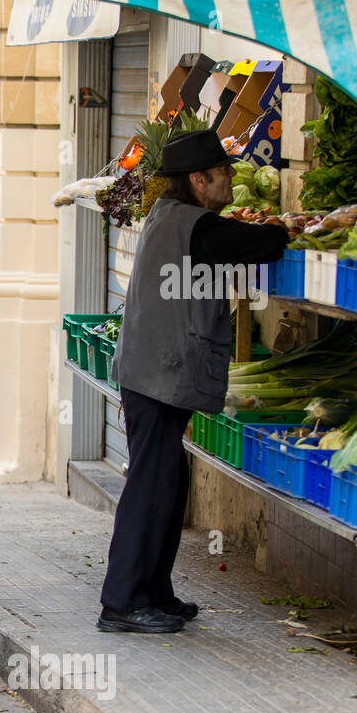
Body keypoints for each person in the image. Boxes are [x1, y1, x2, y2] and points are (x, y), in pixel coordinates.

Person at [99, 130, 289, 634]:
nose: (230, 178)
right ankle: (120, 603)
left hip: (154, 373)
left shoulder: (171, 216)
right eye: (223, 172)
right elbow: (260, 245)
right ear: (198, 181)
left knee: (168, 482)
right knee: (149, 485)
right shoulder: (196, 226)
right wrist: (285, 228)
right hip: (158, 376)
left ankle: (154, 593)